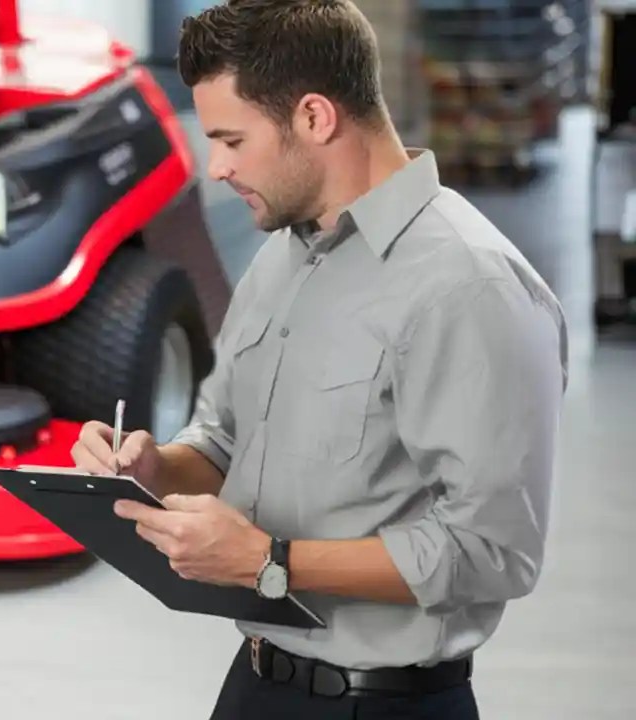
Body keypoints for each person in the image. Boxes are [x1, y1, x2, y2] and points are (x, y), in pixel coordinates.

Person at [70, 1, 568, 718]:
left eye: (232, 140)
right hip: (254, 684)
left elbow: (495, 549)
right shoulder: (284, 257)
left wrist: (270, 563)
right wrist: (154, 466)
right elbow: (225, 440)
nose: (216, 168)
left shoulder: (469, 284)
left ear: (314, 117)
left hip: (383, 703)